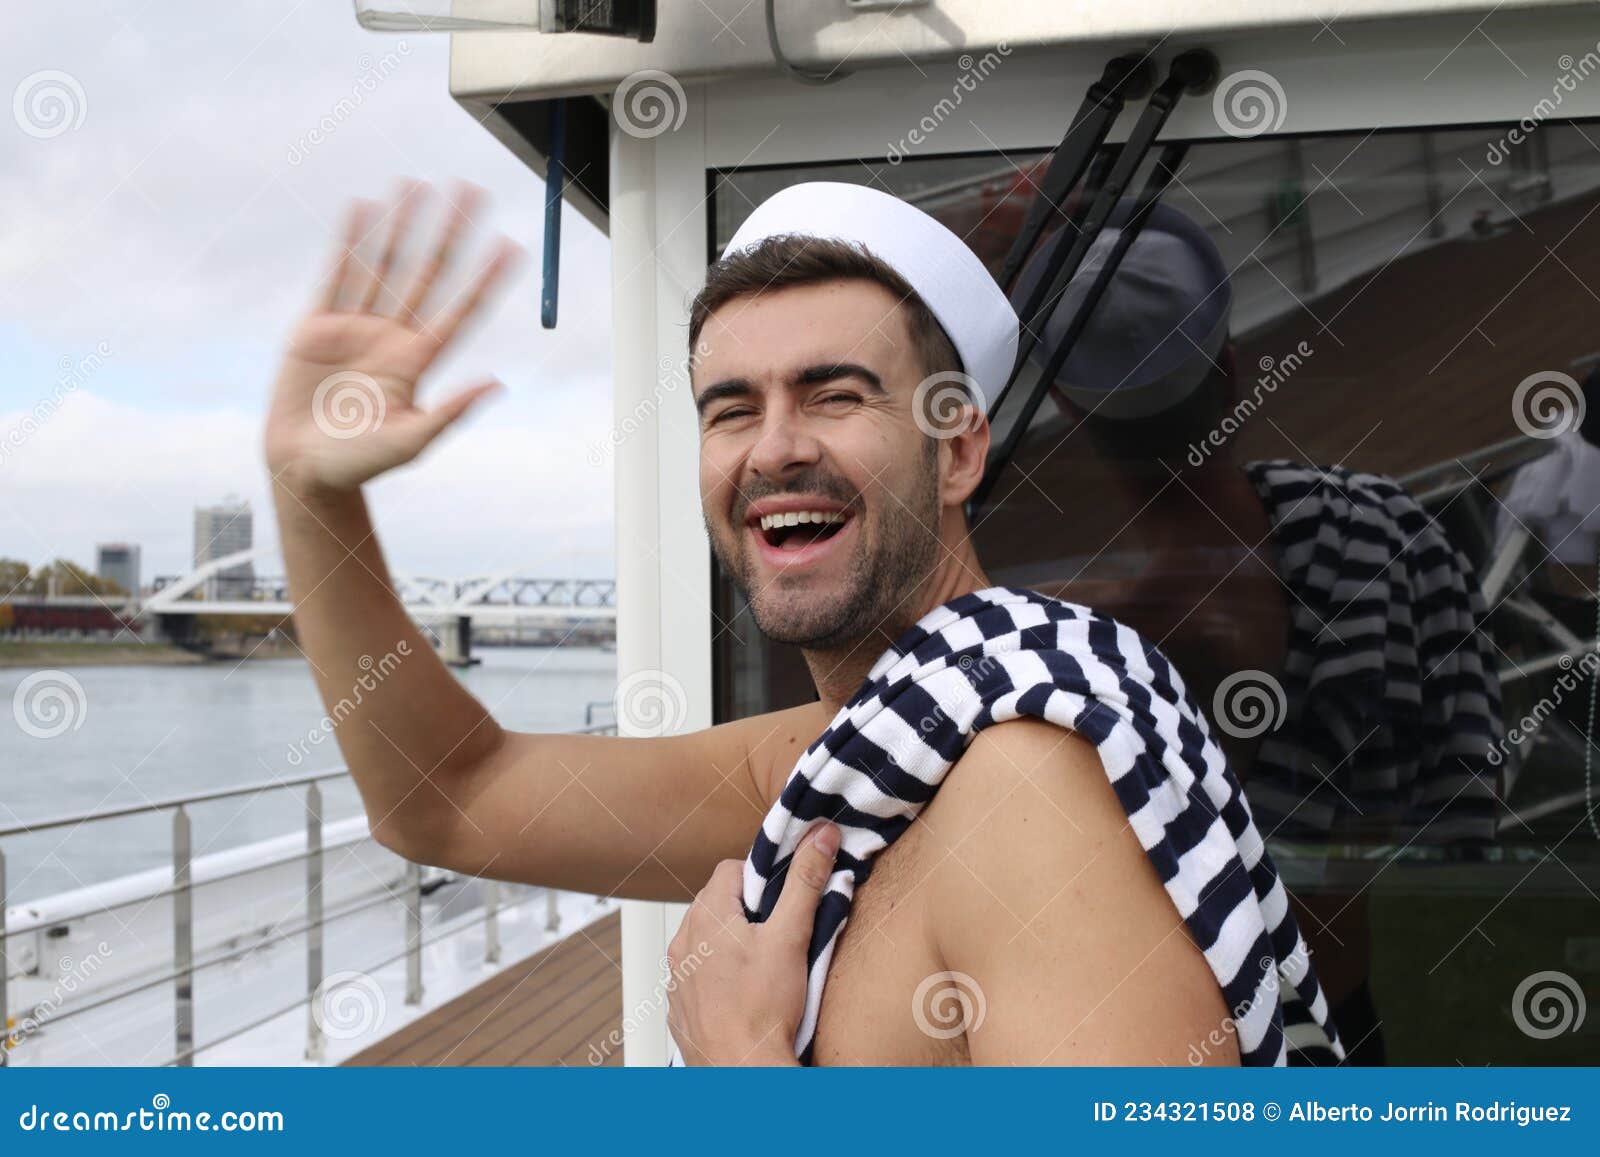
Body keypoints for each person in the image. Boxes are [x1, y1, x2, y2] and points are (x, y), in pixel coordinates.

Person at [263, 178, 1341, 1067]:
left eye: (834, 395)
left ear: (957, 448)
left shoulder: (1025, 790)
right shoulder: (838, 760)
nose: (772, 447)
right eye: (731, 407)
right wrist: (311, 494)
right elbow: (446, 799)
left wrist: (742, 1069)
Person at [977, 201, 1505, 1064]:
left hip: (1157, 1052)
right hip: (1357, 1021)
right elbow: (1473, 782)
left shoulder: (1068, 641)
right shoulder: (1388, 528)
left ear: (1069, 410)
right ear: (1230, 370)